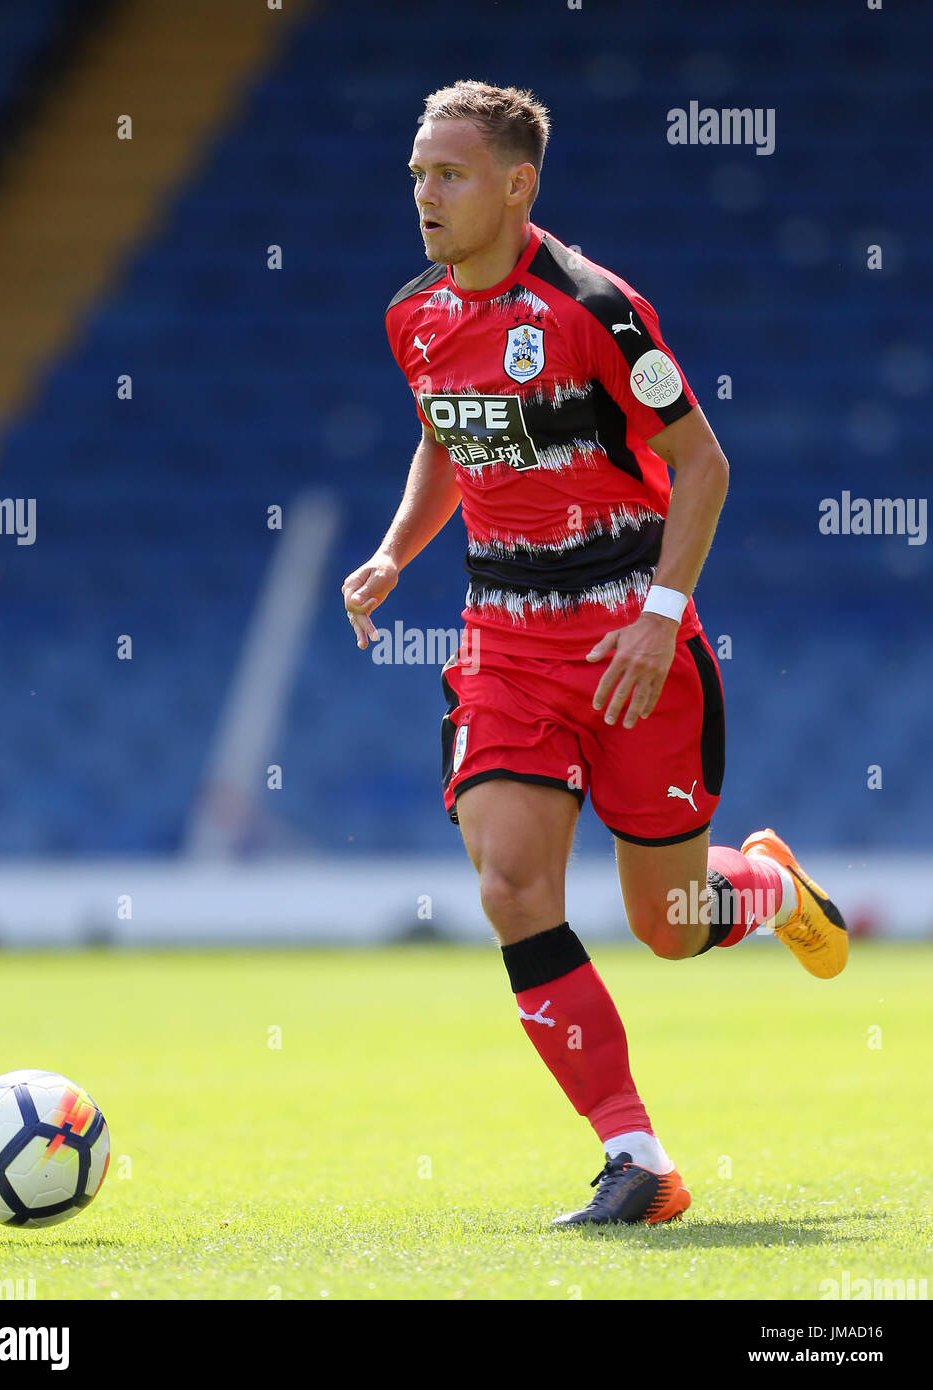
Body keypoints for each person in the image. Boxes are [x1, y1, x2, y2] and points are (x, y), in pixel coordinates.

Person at [341, 79, 847, 1227]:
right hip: (504, 644)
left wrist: (662, 615)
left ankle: (763, 888)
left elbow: (703, 466)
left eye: (449, 173)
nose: (424, 192)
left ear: (518, 186)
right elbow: (445, 441)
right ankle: (636, 1159)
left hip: (632, 643)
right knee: (511, 886)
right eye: (418, 171)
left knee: (668, 926)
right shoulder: (412, 315)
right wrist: (392, 553)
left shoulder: (594, 307)